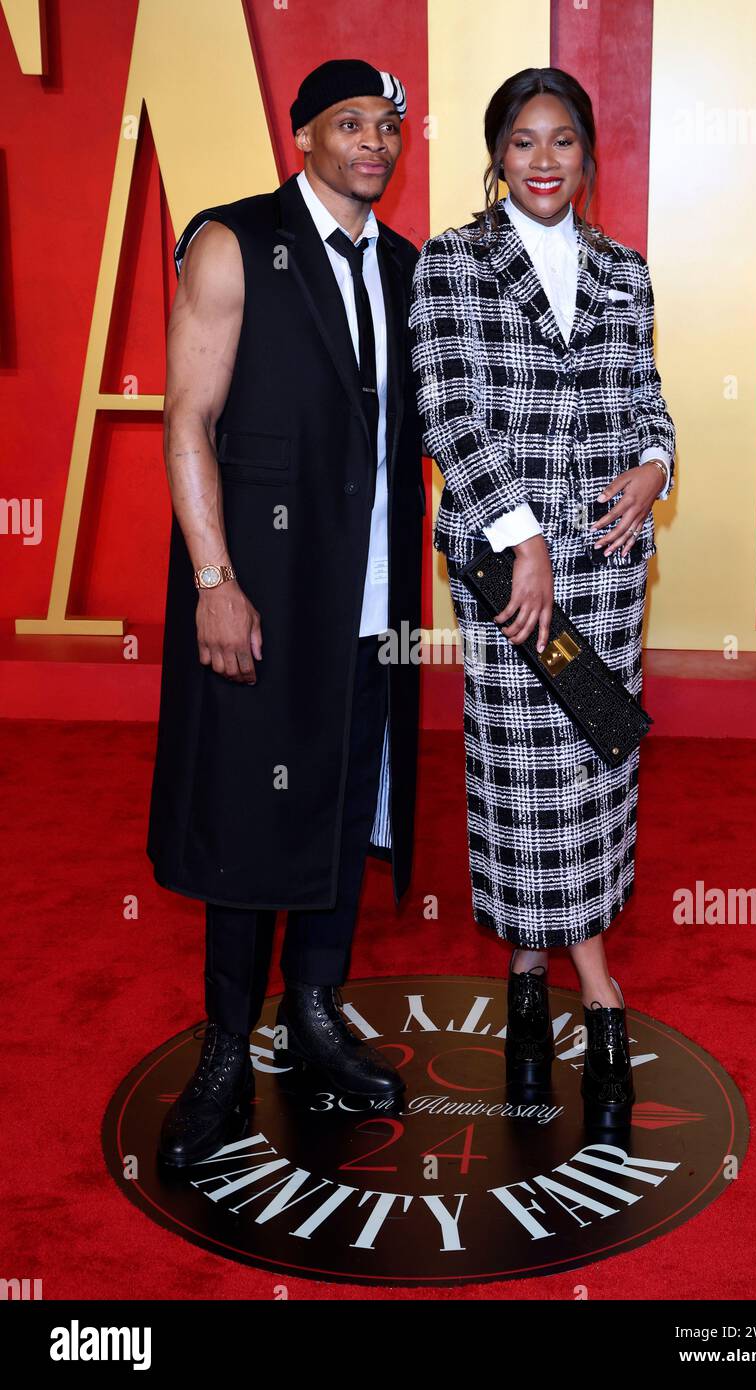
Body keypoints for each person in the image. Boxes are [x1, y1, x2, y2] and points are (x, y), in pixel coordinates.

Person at [147, 59, 424, 1167]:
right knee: (243, 814)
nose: (375, 141)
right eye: (350, 123)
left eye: (388, 126)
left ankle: (312, 1013)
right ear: (302, 135)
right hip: (257, 594)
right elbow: (187, 418)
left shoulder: (404, 268)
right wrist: (215, 579)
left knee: (342, 800)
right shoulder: (233, 240)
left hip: (367, 605)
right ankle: (226, 1046)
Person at [408, 67, 676, 1127]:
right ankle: (595, 994)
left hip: (606, 564)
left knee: (597, 768)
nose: (545, 161)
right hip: (505, 566)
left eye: (563, 141)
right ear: (495, 153)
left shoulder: (624, 268)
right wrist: (521, 541)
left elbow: (646, 397)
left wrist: (656, 464)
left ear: (588, 153)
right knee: (525, 778)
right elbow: (446, 410)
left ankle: (530, 986)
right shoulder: (452, 262)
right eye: (524, 142)